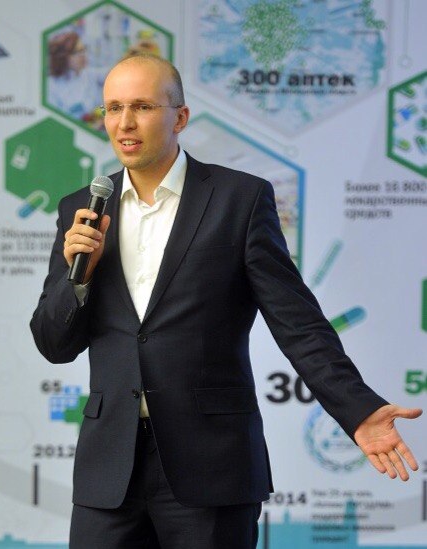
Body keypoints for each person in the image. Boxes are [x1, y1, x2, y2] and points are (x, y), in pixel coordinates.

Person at [30, 54, 422, 549]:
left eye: (142, 106)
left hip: (212, 467)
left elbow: (297, 322)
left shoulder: (240, 199)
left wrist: (358, 410)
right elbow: (54, 344)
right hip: (109, 471)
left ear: (180, 117)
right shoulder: (81, 209)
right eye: (113, 108)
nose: (124, 123)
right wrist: (77, 279)